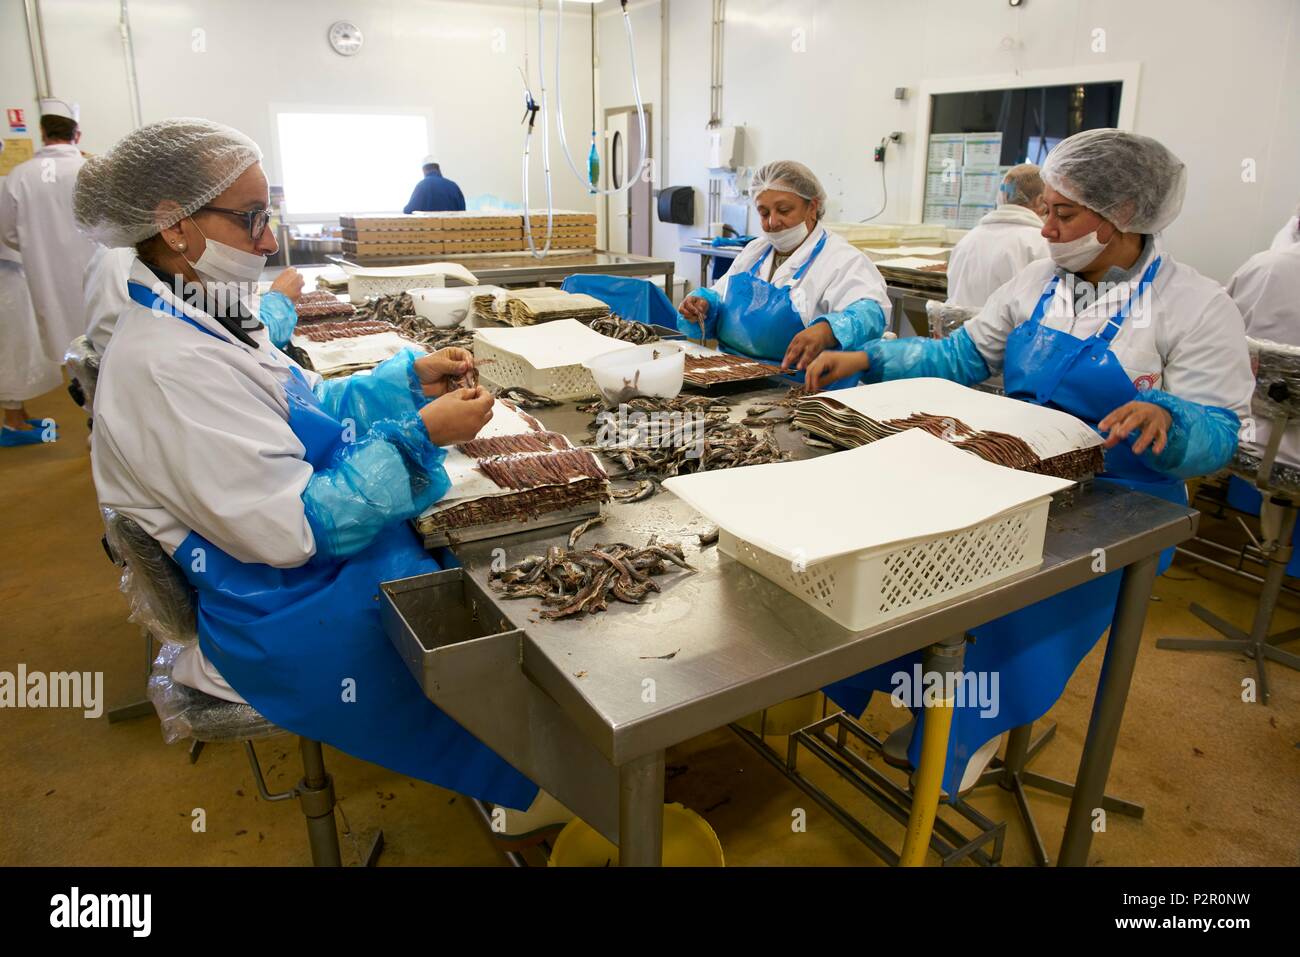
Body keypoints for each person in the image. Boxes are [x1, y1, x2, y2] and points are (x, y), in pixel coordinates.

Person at [75, 118, 554, 826]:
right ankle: (538, 769)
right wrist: (421, 437)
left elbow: (297, 405)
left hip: (272, 560)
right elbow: (299, 529)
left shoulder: (198, 312)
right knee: (501, 622)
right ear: (173, 226)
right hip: (277, 604)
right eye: (250, 218)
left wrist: (406, 380)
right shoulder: (167, 366)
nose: (270, 240)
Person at [805, 129, 1254, 795]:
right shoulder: (1037, 281)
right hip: (1013, 475)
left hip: (1123, 508)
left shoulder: (1195, 305)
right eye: (1043, 208)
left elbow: (1221, 431)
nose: (1045, 229)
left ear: (1123, 213)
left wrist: (1173, 419)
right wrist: (870, 356)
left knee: (1007, 611)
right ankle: (915, 698)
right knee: (910, 563)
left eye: (1063, 214)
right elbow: (959, 358)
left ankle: (961, 730)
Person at [676, 160, 890, 387]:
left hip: (802, 388)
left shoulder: (843, 260)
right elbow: (720, 301)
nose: (772, 222)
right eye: (763, 212)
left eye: (784, 210)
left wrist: (828, 329)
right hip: (729, 376)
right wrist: (703, 306)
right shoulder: (754, 252)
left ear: (812, 207)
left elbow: (871, 313)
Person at [0, 98, 96, 373]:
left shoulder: (18, 175)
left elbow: (8, 233)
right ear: (76, 134)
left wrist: (37, 245)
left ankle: (84, 401)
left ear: (42, 133)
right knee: (103, 340)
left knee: (67, 346)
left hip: (46, 274)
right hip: (94, 270)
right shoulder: (90, 170)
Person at [944, 163, 1049, 308]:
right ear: (1040, 200)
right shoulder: (1040, 243)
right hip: (1006, 330)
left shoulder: (968, 240)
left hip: (962, 330)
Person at [0, 243, 61, 446]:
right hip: (5, 270)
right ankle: (13, 423)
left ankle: (20, 414)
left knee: (18, 343)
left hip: (11, 266)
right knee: (12, 348)